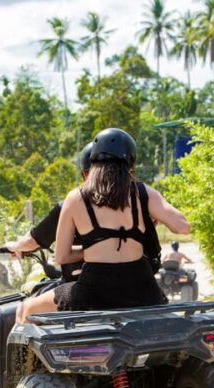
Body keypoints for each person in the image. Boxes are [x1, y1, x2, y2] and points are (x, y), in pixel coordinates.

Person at [18, 128, 190, 321]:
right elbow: (183, 227)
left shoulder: (75, 198)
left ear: (92, 161)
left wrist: (93, 250)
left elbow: (61, 256)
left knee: (28, 309)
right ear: (130, 162)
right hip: (143, 291)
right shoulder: (144, 193)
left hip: (94, 294)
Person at [4, 142, 92, 258]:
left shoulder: (72, 204)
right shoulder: (123, 203)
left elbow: (32, 242)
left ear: (86, 174)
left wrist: (14, 245)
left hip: (88, 274)